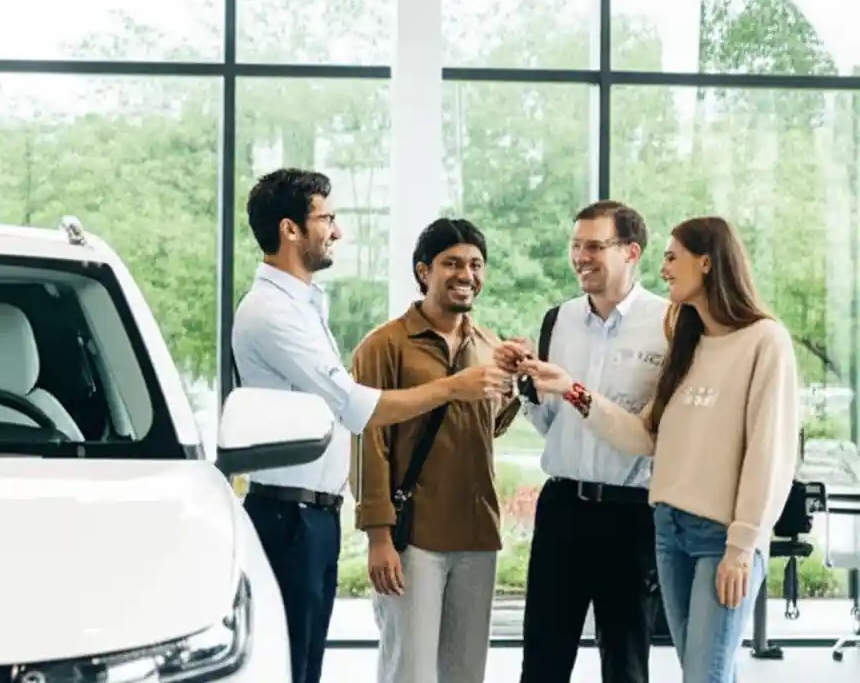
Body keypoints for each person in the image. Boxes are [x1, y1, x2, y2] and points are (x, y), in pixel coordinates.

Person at [232, 168, 512, 683]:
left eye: (475, 264)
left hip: (313, 515)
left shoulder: (303, 305)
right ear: (291, 229)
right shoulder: (276, 314)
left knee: (304, 665)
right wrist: (452, 388)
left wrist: (506, 385)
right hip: (293, 516)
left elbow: (477, 428)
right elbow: (359, 414)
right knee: (301, 666)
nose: (336, 230)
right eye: (328, 218)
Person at [516, 215, 800, 683]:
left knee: (701, 674)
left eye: (672, 257)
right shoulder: (687, 339)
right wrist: (571, 390)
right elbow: (645, 435)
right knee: (695, 671)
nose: (664, 268)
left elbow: (770, 454)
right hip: (668, 529)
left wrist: (742, 545)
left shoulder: (763, 341)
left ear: (706, 264)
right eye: (575, 245)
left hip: (714, 536)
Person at [493, 200, 670, 683]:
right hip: (563, 510)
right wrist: (526, 382)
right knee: (544, 660)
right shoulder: (559, 320)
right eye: (576, 246)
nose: (580, 257)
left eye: (595, 246)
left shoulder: (668, 323)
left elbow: (661, 433)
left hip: (632, 515)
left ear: (631, 252)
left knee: (626, 664)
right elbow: (554, 424)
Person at [351, 217, 522, 683]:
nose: (466, 274)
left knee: (466, 673)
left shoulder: (487, 343)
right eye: (452, 263)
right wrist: (379, 537)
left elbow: (490, 431)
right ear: (424, 271)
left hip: (477, 535)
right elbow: (369, 441)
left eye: (475, 264)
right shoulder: (383, 346)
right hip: (413, 537)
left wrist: (511, 385)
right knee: (409, 671)